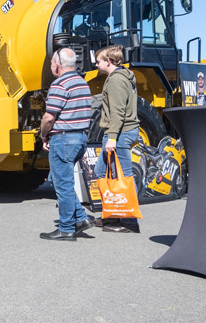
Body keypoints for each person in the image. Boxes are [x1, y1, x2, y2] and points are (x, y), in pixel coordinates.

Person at [39, 47, 96, 240]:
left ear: (58, 65)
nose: (51, 66)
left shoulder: (59, 84)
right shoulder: (82, 83)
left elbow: (49, 117)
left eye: (52, 63)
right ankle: (81, 218)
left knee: (62, 185)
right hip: (80, 138)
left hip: (63, 139)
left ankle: (66, 228)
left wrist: (43, 135)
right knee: (57, 179)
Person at [95, 45, 140, 234]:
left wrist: (112, 138)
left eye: (98, 61)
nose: (95, 64)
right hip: (120, 133)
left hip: (120, 134)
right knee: (100, 171)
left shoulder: (116, 80)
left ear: (109, 61)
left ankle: (128, 221)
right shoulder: (122, 77)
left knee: (125, 177)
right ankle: (113, 214)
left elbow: (118, 112)